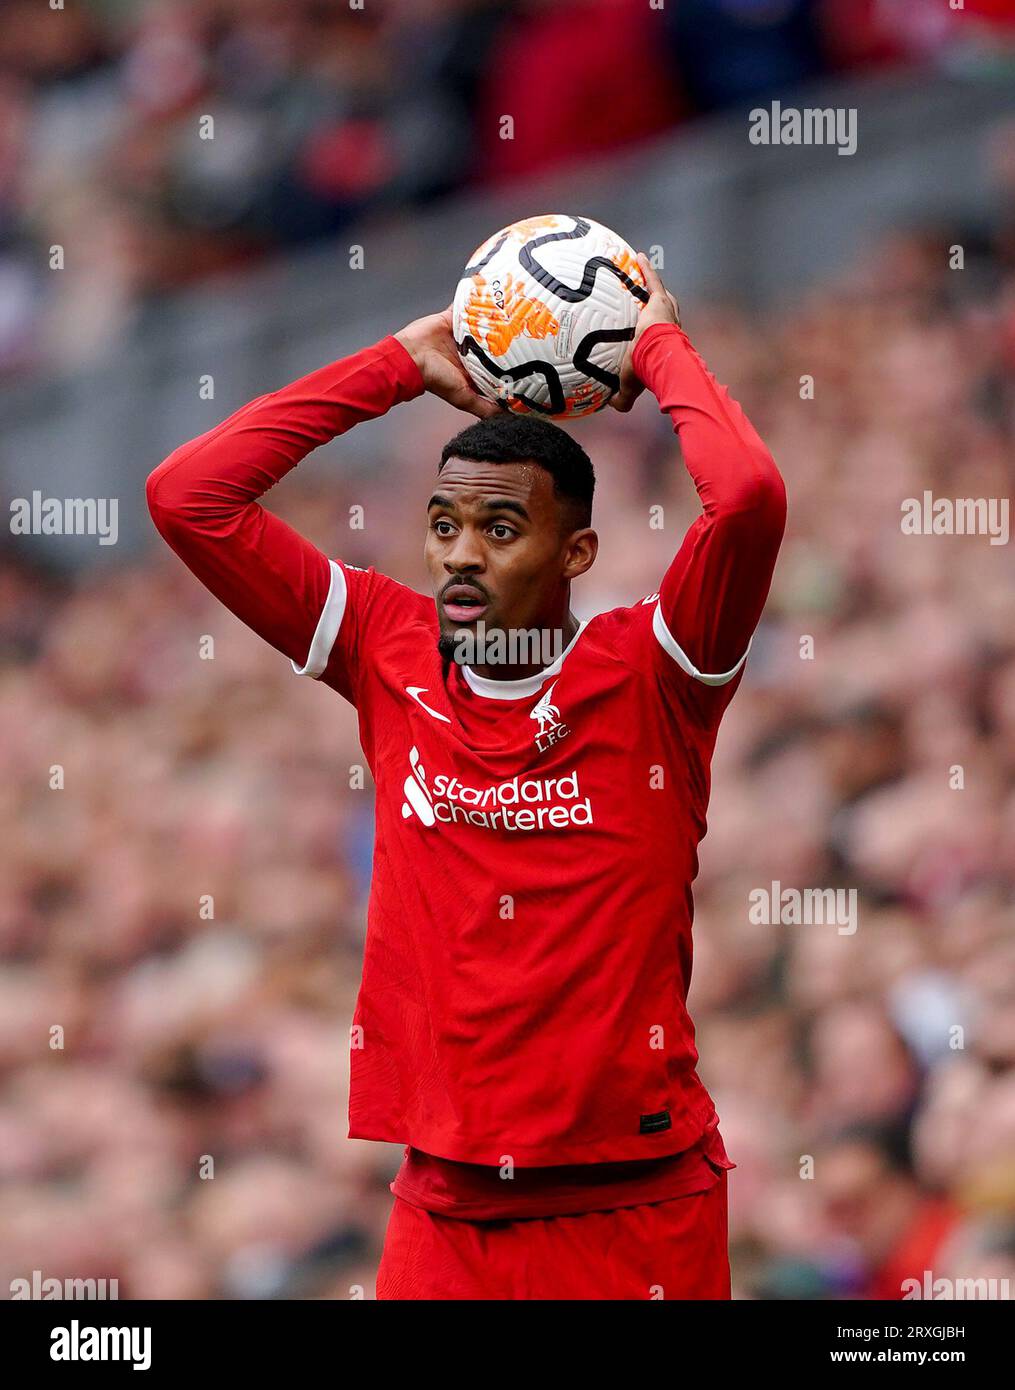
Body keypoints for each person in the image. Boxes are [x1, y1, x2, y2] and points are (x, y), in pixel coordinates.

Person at [146, 254, 786, 1300]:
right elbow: (188, 498)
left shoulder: (654, 673)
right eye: (445, 526)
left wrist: (657, 347)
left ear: (576, 551)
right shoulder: (384, 649)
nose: (461, 556)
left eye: (500, 529)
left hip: (637, 1202)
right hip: (446, 1206)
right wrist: (392, 366)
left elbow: (749, 497)